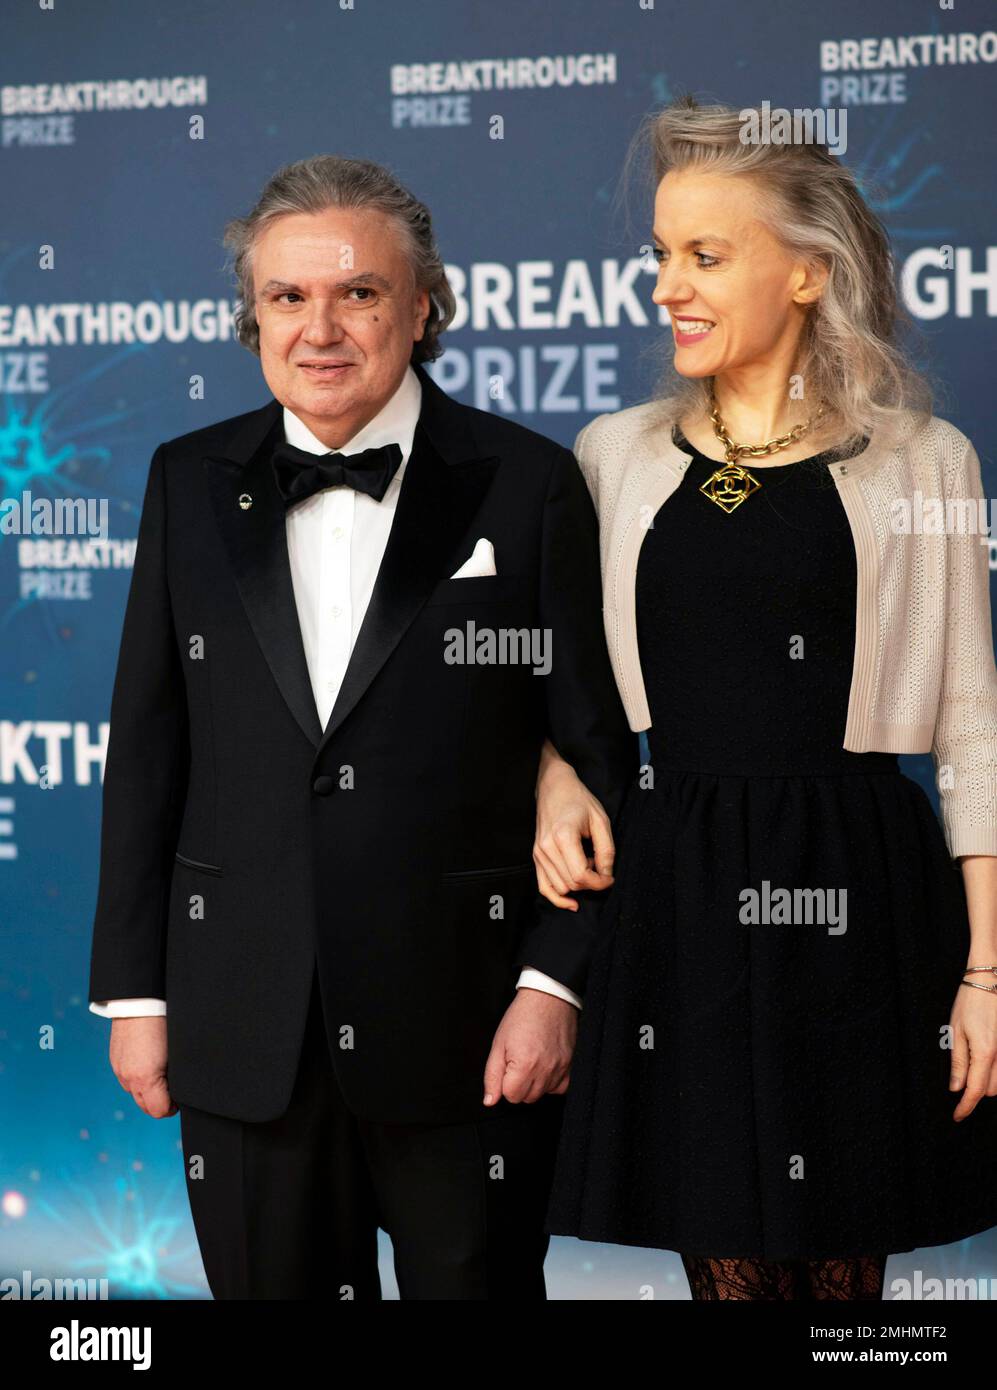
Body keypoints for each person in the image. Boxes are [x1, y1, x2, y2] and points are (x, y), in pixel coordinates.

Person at [88, 155, 634, 1300]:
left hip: (471, 1032)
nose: (320, 327)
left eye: (359, 293)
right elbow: (146, 747)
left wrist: (553, 987)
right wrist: (135, 995)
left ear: (425, 304)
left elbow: (594, 755)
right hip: (244, 1028)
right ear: (253, 318)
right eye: (287, 297)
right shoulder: (187, 481)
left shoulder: (526, 485)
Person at [536, 97, 997, 1301]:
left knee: (839, 1274)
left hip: (857, 889)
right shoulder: (611, 453)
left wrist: (987, 973)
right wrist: (551, 777)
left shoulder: (927, 459)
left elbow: (971, 725)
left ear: (805, 273)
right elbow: (565, 691)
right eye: (659, 257)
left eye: (704, 255)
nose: (666, 288)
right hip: (676, 886)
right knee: (722, 1264)